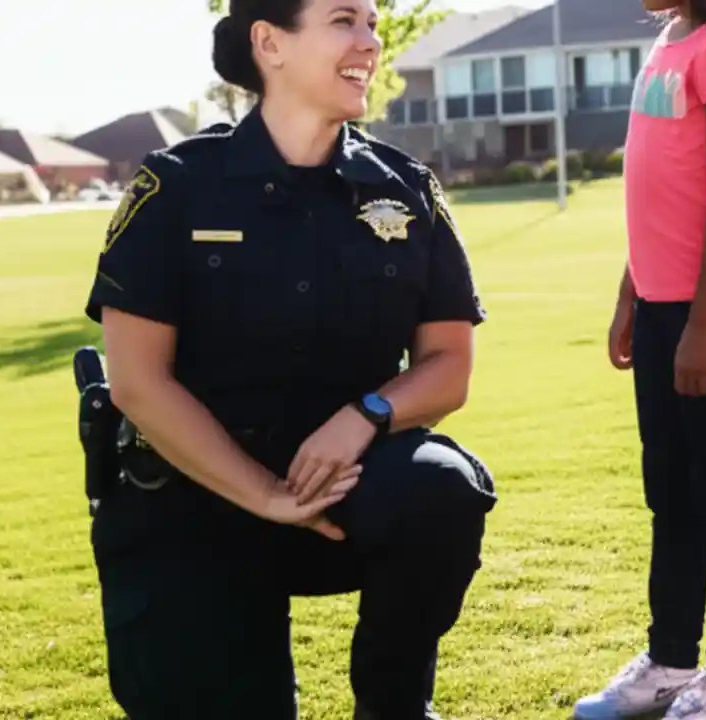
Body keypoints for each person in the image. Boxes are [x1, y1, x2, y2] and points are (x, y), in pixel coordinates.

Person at [81, 0, 494, 717]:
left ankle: (395, 706)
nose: (369, 40)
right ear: (269, 43)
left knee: (442, 487)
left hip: (340, 489)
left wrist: (367, 415)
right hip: (194, 504)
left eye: (371, 21)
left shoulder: (405, 190)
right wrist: (266, 496)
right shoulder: (176, 189)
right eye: (344, 20)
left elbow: (449, 363)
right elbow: (138, 382)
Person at [574, 1, 706, 719]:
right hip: (665, 304)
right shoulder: (673, 39)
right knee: (672, 495)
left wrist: (705, 322)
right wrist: (633, 291)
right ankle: (671, 661)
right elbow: (660, 186)